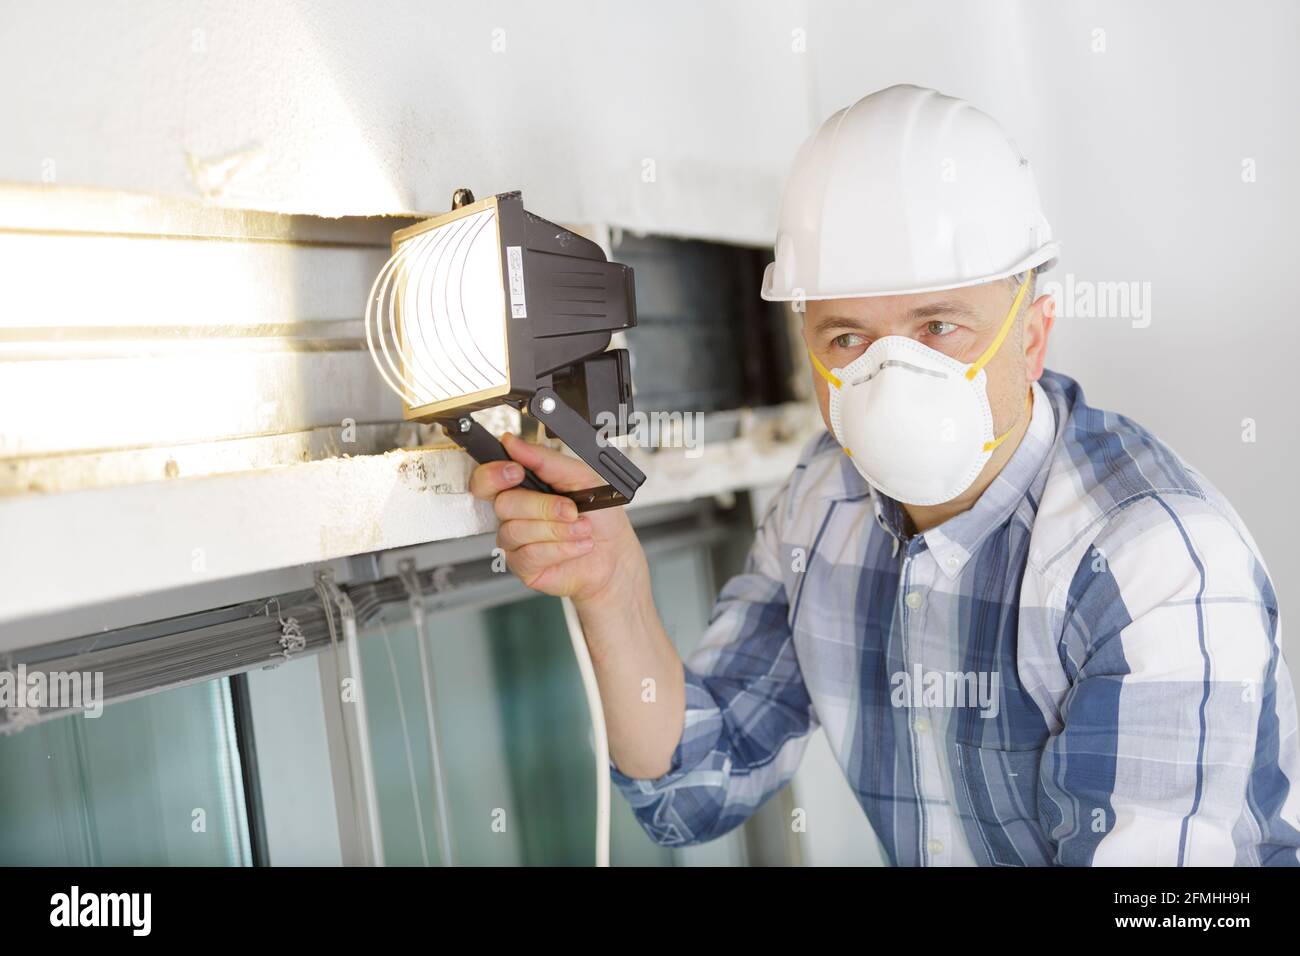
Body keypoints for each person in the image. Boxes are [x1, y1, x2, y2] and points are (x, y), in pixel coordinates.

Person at [469, 84, 1300, 865]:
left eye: (939, 326)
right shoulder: (823, 508)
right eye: (848, 339)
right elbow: (690, 784)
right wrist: (614, 586)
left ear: (1033, 335)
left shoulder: (1153, 563)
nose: (892, 375)